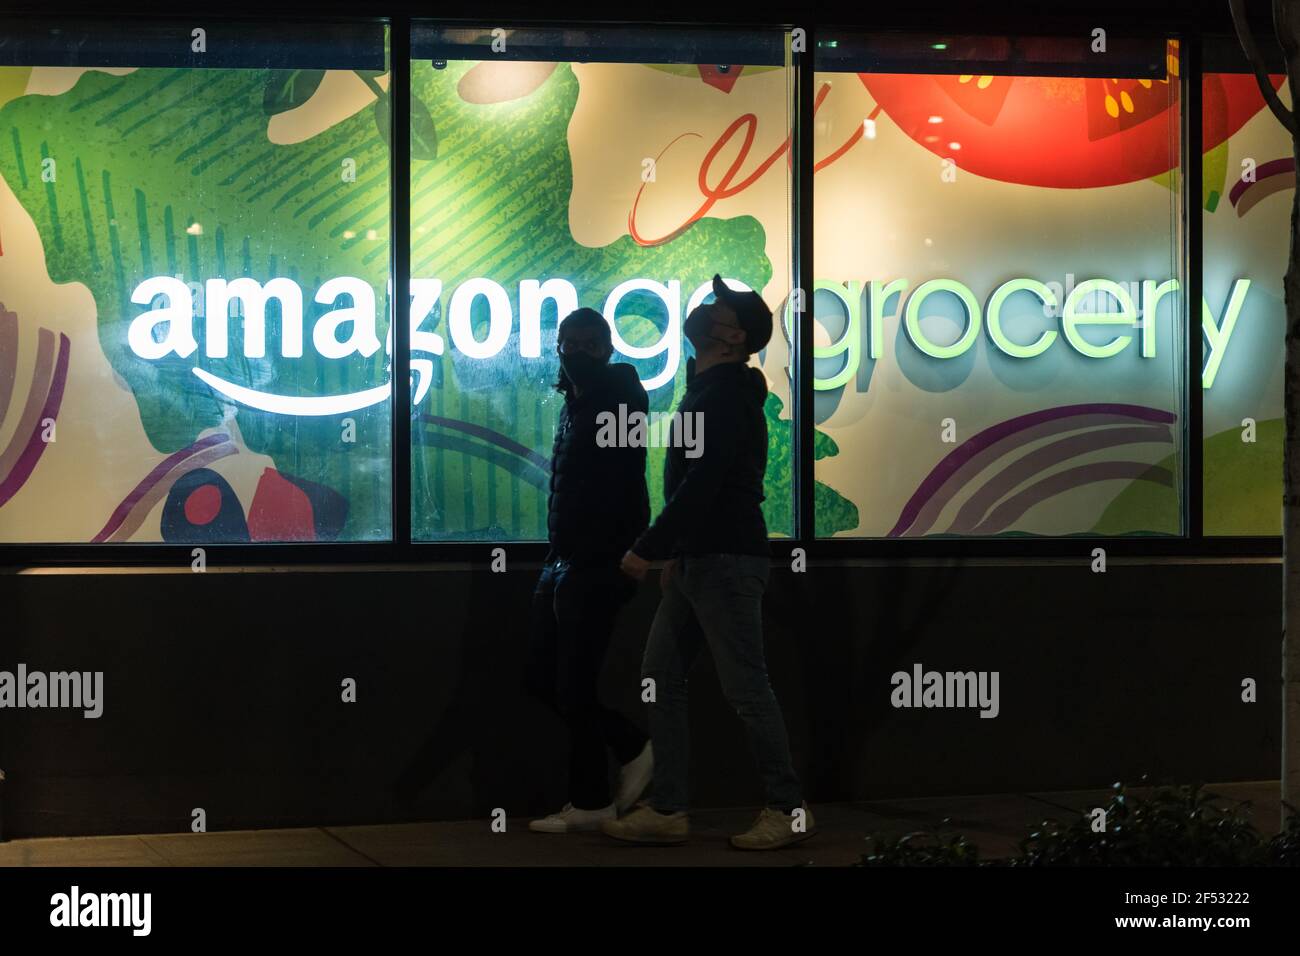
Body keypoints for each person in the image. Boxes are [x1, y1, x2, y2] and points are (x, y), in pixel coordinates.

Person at [602, 275, 814, 850]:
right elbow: (696, 486)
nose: (704, 308)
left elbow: (704, 485)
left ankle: (787, 808)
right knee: (661, 677)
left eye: (717, 306)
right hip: (702, 558)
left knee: (746, 689)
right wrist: (677, 551)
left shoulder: (722, 396)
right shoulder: (710, 391)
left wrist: (650, 547)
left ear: (733, 335)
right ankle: (668, 808)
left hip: (724, 559)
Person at [525, 307, 654, 833]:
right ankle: (629, 748)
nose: (575, 353)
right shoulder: (574, 404)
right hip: (562, 561)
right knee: (540, 678)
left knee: (574, 686)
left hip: (598, 564)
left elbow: (626, 485)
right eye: (566, 344)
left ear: (607, 347)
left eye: (587, 344)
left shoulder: (620, 398)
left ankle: (592, 799)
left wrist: (626, 554)